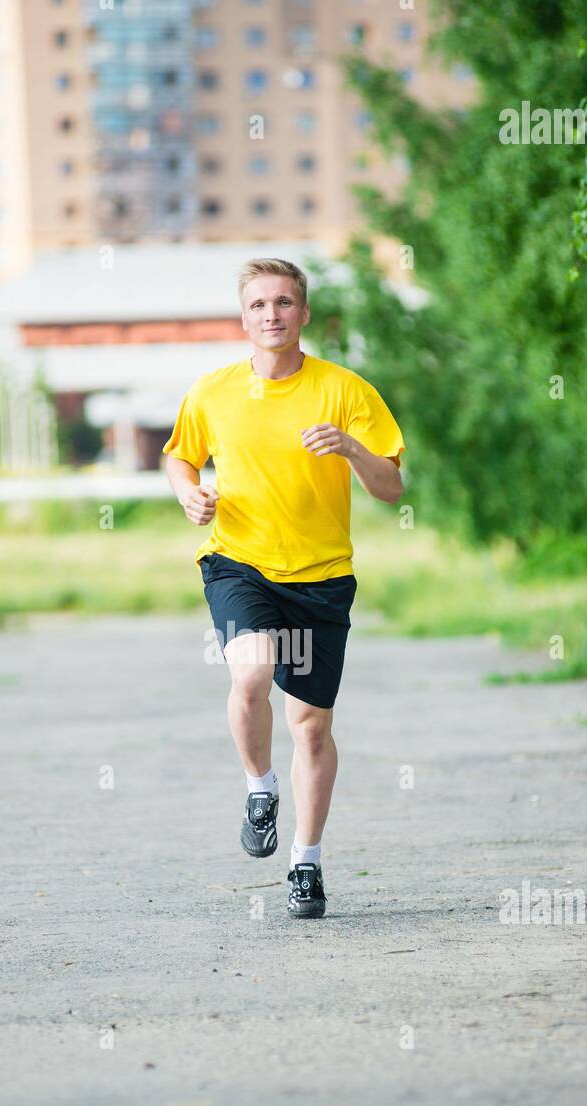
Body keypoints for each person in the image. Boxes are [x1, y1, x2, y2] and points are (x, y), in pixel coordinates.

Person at [162, 257, 405, 919]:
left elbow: (391, 488)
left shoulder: (345, 391)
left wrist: (352, 451)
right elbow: (179, 454)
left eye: (283, 303)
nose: (271, 314)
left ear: (303, 313)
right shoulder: (212, 391)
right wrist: (189, 493)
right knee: (250, 675)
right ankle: (259, 788)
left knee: (312, 731)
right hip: (238, 563)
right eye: (258, 305)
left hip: (321, 578)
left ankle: (305, 863)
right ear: (243, 317)